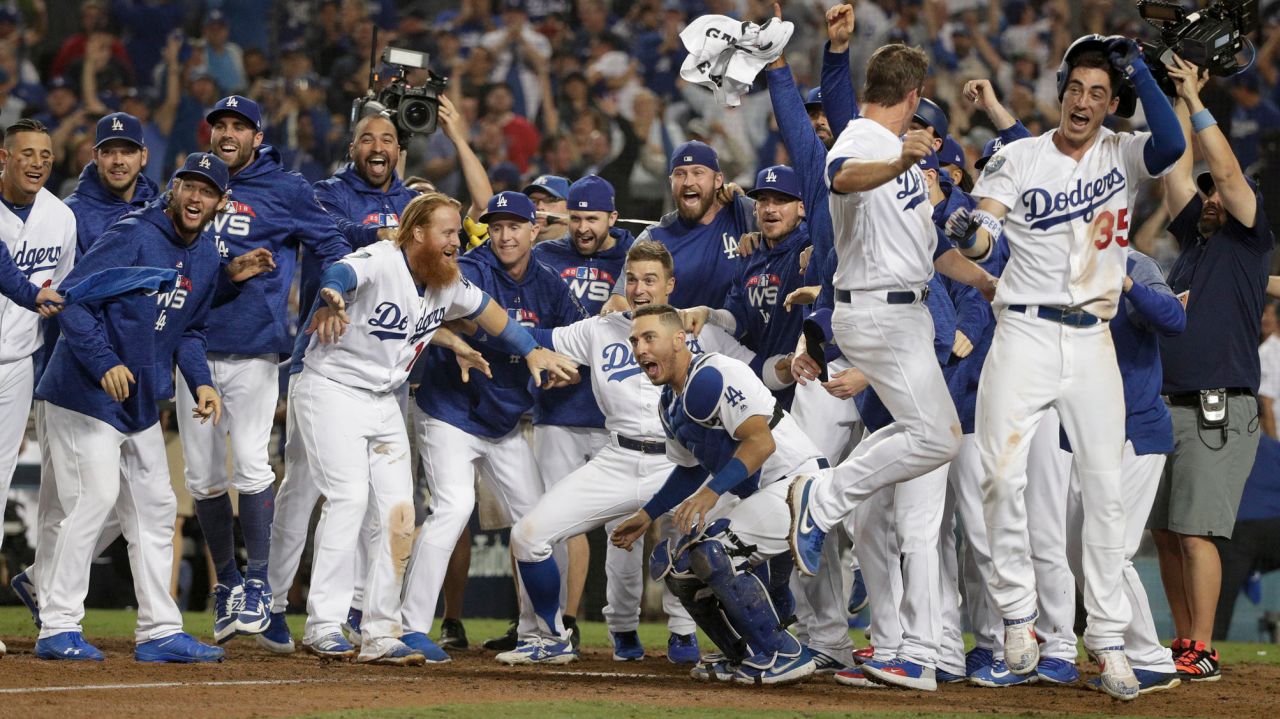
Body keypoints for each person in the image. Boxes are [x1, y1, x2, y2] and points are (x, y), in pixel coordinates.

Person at [947, 35, 1184, 700]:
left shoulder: (1122, 151)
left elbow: (1167, 143)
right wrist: (971, 233)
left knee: (1106, 495)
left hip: (1091, 338)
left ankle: (1108, 641)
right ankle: (1019, 617)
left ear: (1112, 105)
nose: (1083, 101)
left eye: (1097, 93)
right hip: (1022, 327)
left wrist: (1136, 65)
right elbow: (986, 227)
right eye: (1075, 89)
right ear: (1061, 94)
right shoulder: (1019, 155)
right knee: (998, 476)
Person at [287, 191, 576, 664]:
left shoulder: (448, 283)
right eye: (446, 231)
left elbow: (492, 316)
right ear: (417, 232)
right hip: (331, 388)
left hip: (384, 400)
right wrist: (332, 294)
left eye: (458, 233)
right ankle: (323, 623)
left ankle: (382, 631)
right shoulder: (382, 259)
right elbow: (342, 271)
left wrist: (530, 350)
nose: (456, 240)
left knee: (400, 513)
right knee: (350, 498)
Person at [785, 44, 995, 692]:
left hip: (902, 310)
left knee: (928, 440)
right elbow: (841, 176)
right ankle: (823, 497)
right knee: (937, 438)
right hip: (876, 312)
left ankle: (907, 654)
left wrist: (985, 280)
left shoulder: (901, 158)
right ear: (912, 95)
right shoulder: (864, 138)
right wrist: (896, 158)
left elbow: (930, 250)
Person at [32, 153, 261, 663]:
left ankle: (159, 631)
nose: (196, 198)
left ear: (221, 203)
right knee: (93, 500)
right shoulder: (134, 233)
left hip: (137, 403)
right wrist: (104, 361)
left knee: (156, 511)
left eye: (208, 191)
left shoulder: (204, 257)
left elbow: (191, 330)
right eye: (189, 186)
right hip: (84, 391)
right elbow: (71, 300)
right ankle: (57, 624)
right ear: (174, 188)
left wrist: (201, 383)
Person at [508, 240, 757, 664]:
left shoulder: (701, 333)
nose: (640, 288)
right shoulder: (599, 329)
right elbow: (537, 337)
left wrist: (796, 362)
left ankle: (687, 634)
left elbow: (758, 370)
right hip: (618, 457)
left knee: (690, 542)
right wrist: (487, 322)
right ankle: (557, 637)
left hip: (685, 461)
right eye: (633, 279)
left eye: (650, 280)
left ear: (670, 285)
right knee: (527, 537)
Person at [176, 95, 350, 645]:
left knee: (252, 466)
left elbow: (333, 242)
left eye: (239, 126)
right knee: (203, 478)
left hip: (253, 347)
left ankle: (257, 585)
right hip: (194, 345)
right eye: (219, 125)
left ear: (258, 135)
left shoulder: (288, 188)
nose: (227, 133)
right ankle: (228, 586)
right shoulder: (192, 182)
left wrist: (330, 290)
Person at [399, 191, 586, 663]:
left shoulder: (549, 283)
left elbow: (577, 341)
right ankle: (412, 627)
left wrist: (563, 359)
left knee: (541, 522)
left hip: (503, 422)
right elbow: (464, 324)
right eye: (496, 225)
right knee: (453, 508)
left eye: (514, 226)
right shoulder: (474, 267)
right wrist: (531, 348)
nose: (504, 234)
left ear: (535, 229)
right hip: (449, 412)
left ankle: (543, 629)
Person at [609, 304, 829, 686]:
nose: (640, 349)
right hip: (761, 492)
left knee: (713, 551)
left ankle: (783, 653)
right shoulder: (670, 404)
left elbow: (761, 444)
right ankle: (744, 653)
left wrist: (710, 494)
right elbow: (690, 467)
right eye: (634, 341)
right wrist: (647, 515)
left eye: (649, 338)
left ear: (679, 339)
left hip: (799, 481)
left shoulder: (714, 374)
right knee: (677, 564)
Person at [10, 111, 161, 637]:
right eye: (108, 150)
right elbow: (67, 301)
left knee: (133, 500)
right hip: (72, 375)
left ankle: (42, 581)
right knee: (68, 502)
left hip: (133, 376)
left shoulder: (158, 209)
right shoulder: (72, 212)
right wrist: (93, 361)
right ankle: (53, 606)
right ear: (93, 157)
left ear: (143, 156)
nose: (118, 158)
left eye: (127, 149)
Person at [1150, 55, 1276, 682]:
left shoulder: (1250, 240)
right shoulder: (1195, 244)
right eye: (1204, 197)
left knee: (1196, 532)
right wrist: (1174, 94)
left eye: (1215, 195)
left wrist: (1198, 98)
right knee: (1169, 535)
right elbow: (1176, 168)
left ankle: (1203, 645)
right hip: (1167, 405)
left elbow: (1222, 171)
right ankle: (1181, 640)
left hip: (1216, 411)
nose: (1207, 199)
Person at [521, 174, 646, 657]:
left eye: (592, 218)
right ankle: (547, 627)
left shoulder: (635, 258)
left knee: (626, 535)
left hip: (618, 418)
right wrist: (549, 360)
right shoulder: (548, 256)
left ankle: (624, 625)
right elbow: (537, 326)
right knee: (550, 523)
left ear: (613, 218)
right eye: (575, 218)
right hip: (558, 412)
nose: (582, 228)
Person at [1063, 249, 1186, 694]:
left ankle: (1148, 658)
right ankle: (1137, 651)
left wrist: (1128, 284)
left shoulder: (1132, 262)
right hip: (1082, 434)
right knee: (1078, 550)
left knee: (1110, 552)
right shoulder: (1054, 260)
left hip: (1135, 430)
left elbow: (1174, 318)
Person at [0, 120, 76, 658]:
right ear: (3, 157)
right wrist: (33, 296)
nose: (36, 163)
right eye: (26, 153)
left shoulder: (61, 218)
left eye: (45, 156)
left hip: (14, 366)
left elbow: (61, 299)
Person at [630, 141, 755, 309]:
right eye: (680, 174)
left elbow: (793, 232)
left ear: (718, 180)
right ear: (671, 181)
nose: (688, 182)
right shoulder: (653, 239)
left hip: (742, 333)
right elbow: (622, 298)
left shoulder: (742, 213)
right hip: (680, 333)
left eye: (698, 173)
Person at [523, 174, 570, 244]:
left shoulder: (585, 251)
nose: (539, 207)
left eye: (550, 200)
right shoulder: (513, 251)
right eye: (532, 201)